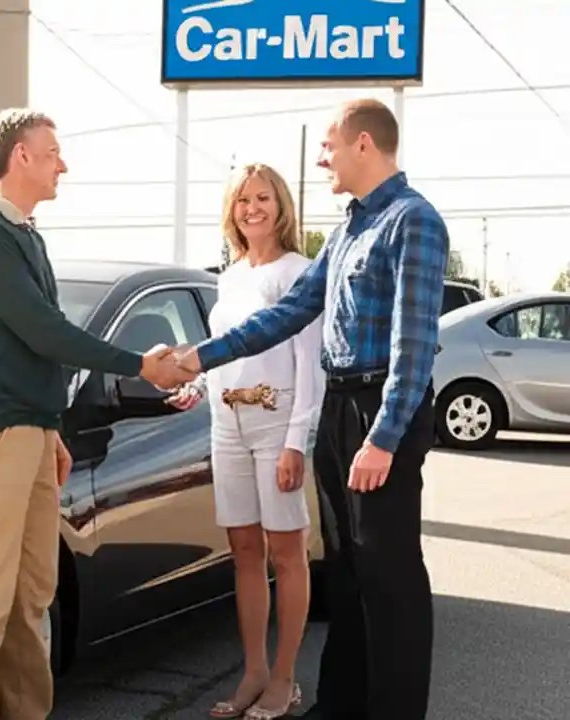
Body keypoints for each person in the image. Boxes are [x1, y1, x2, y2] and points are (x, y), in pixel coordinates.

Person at [174, 98, 448, 720]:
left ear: (363, 146)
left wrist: (382, 437)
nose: (321, 157)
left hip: (381, 411)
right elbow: (291, 311)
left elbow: (414, 341)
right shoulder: (351, 226)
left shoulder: (414, 221)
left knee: (390, 575)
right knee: (348, 571)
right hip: (339, 408)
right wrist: (201, 357)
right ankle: (340, 703)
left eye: (329, 145)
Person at [0, 107, 187, 719]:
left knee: (31, 595)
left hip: (27, 432)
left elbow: (32, 345)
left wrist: (49, 427)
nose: (62, 165)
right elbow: (46, 332)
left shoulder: (24, 234)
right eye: (52, 153)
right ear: (20, 157)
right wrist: (140, 366)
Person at [168, 163, 324, 719]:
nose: (252, 208)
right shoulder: (229, 277)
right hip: (225, 425)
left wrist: (295, 443)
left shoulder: (300, 273)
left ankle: (284, 679)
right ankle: (253, 672)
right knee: (244, 554)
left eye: (262, 198)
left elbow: (310, 364)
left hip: (276, 419)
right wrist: (197, 387)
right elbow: (223, 352)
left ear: (281, 205)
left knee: (287, 554)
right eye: (242, 200)